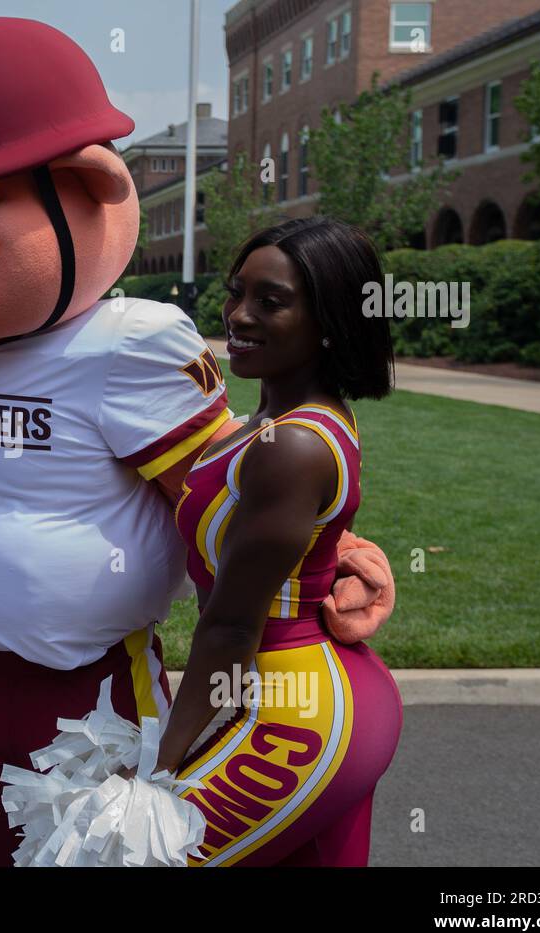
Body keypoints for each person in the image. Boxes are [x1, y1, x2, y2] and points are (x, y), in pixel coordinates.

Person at [159, 216, 403, 866]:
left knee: (133, 847)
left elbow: (231, 628)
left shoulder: (292, 444)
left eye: (271, 302)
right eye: (237, 292)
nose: (238, 315)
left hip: (301, 714)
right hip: (302, 694)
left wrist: (156, 769)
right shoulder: (266, 423)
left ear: (329, 320)